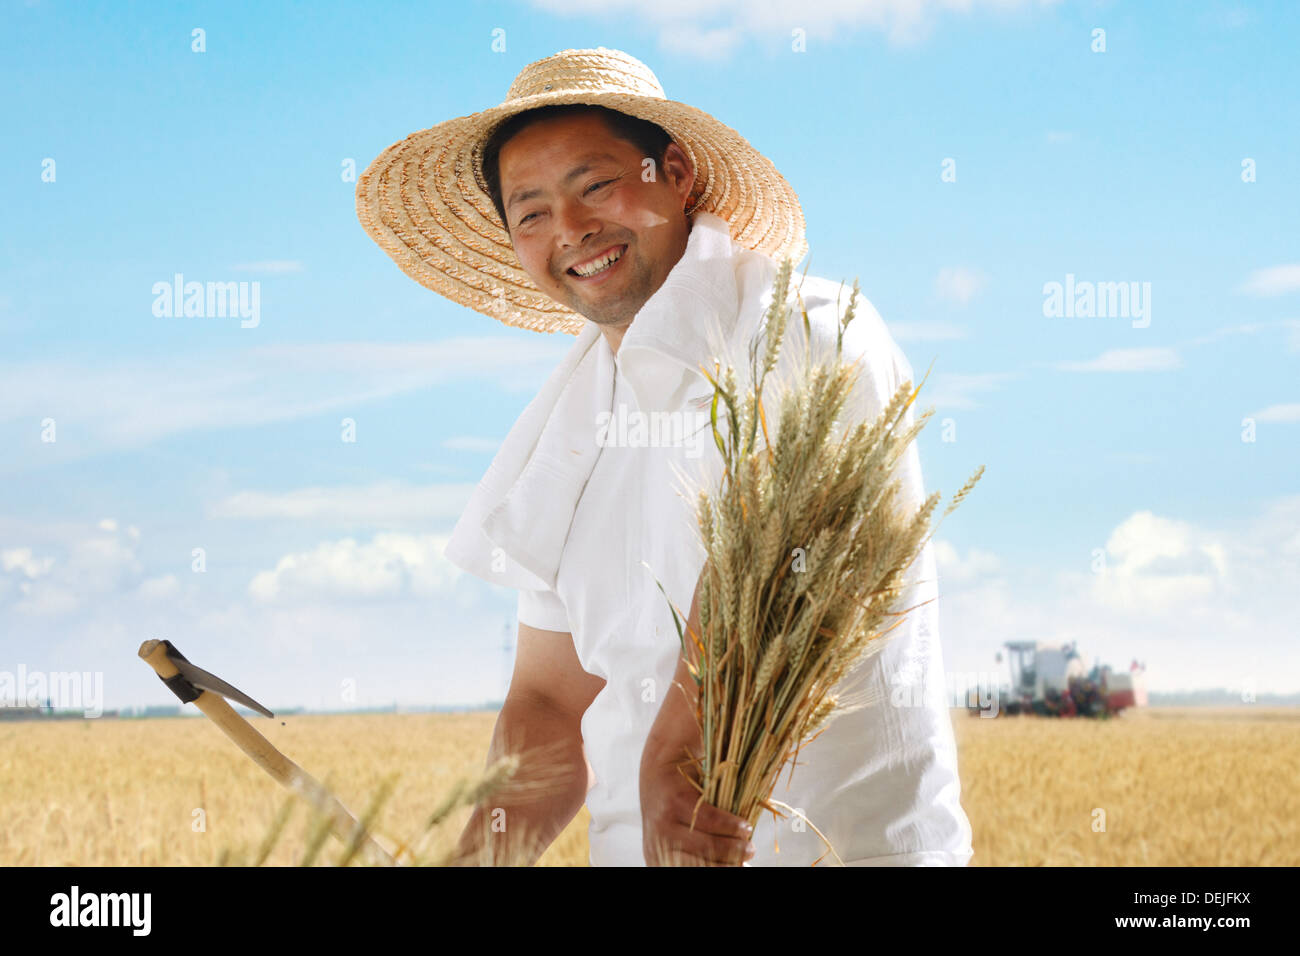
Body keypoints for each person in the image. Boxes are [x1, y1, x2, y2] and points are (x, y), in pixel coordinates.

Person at [356, 47, 973, 867]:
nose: (570, 230)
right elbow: (545, 701)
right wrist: (476, 860)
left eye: (596, 184)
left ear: (676, 172)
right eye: (530, 212)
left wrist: (670, 755)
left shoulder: (810, 333)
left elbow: (777, 573)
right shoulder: (564, 428)